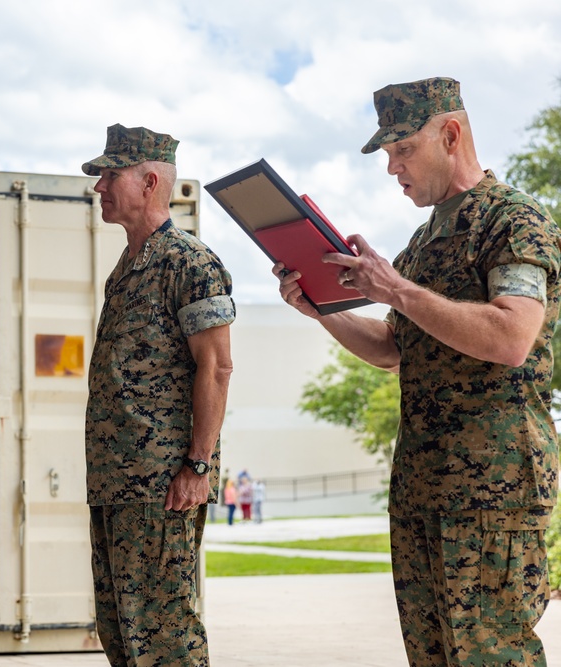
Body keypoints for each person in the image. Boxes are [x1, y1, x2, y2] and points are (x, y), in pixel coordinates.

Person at [275, 77, 559, 665]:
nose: (392, 169)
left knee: (490, 655)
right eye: (387, 155)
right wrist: (321, 308)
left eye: (402, 150)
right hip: (423, 486)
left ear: (450, 135)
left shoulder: (515, 222)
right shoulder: (422, 243)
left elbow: (511, 336)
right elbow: (389, 348)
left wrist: (398, 290)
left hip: (491, 490)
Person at [83, 123, 235, 666]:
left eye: (109, 175)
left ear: (150, 182)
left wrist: (197, 464)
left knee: (164, 632)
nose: (99, 186)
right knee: (122, 632)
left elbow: (216, 367)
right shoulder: (126, 268)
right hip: (115, 478)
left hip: (160, 483)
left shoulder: (190, 263)